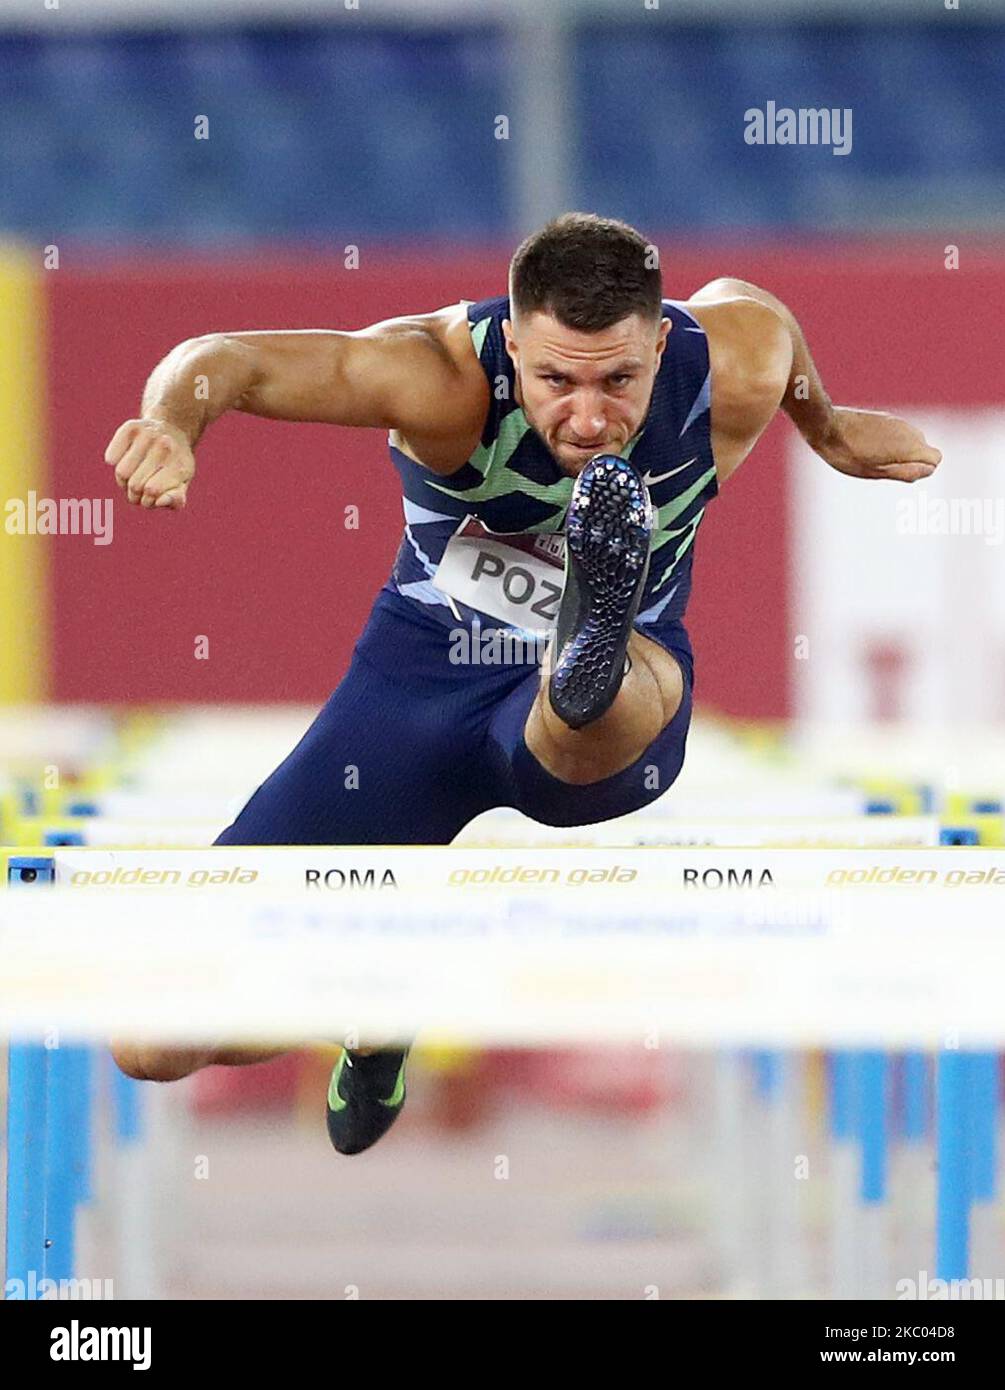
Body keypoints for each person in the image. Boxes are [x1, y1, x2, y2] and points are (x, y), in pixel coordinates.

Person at [105, 212, 941, 1154]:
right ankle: (366, 1003)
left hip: (612, 697)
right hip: (415, 681)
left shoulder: (731, 359)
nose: (587, 416)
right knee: (150, 1039)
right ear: (510, 341)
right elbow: (223, 358)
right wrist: (172, 423)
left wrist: (824, 427)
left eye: (619, 380)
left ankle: (587, 642)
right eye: (554, 380)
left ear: (661, 340)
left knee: (587, 707)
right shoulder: (435, 372)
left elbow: (761, 315)